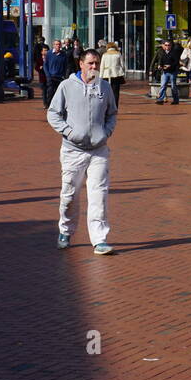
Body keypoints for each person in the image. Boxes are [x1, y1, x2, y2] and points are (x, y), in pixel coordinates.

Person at [47, 48, 118, 255]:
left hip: (99, 150)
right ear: (81, 64)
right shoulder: (67, 86)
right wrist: (69, 132)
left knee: (99, 194)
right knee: (69, 195)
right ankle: (65, 230)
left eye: (97, 63)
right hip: (73, 151)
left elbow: (112, 113)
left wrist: (106, 132)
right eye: (90, 63)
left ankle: (99, 239)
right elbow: (53, 114)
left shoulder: (104, 87)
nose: (94, 67)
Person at [44, 39, 71, 109]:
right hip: (51, 76)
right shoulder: (49, 53)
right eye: (56, 44)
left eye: (59, 44)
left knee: (59, 92)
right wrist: (48, 75)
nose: (58, 46)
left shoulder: (63, 54)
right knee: (50, 91)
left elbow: (66, 66)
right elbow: (45, 65)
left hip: (60, 77)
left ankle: (57, 106)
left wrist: (65, 76)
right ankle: (48, 105)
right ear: (53, 45)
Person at [154, 39, 181, 105]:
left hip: (172, 72)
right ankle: (160, 100)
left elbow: (176, 62)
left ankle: (176, 100)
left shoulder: (174, 52)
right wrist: (160, 65)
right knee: (163, 86)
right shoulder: (163, 52)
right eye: (166, 45)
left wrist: (170, 66)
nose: (167, 46)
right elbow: (161, 61)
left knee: (173, 86)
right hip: (165, 72)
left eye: (168, 45)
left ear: (171, 46)